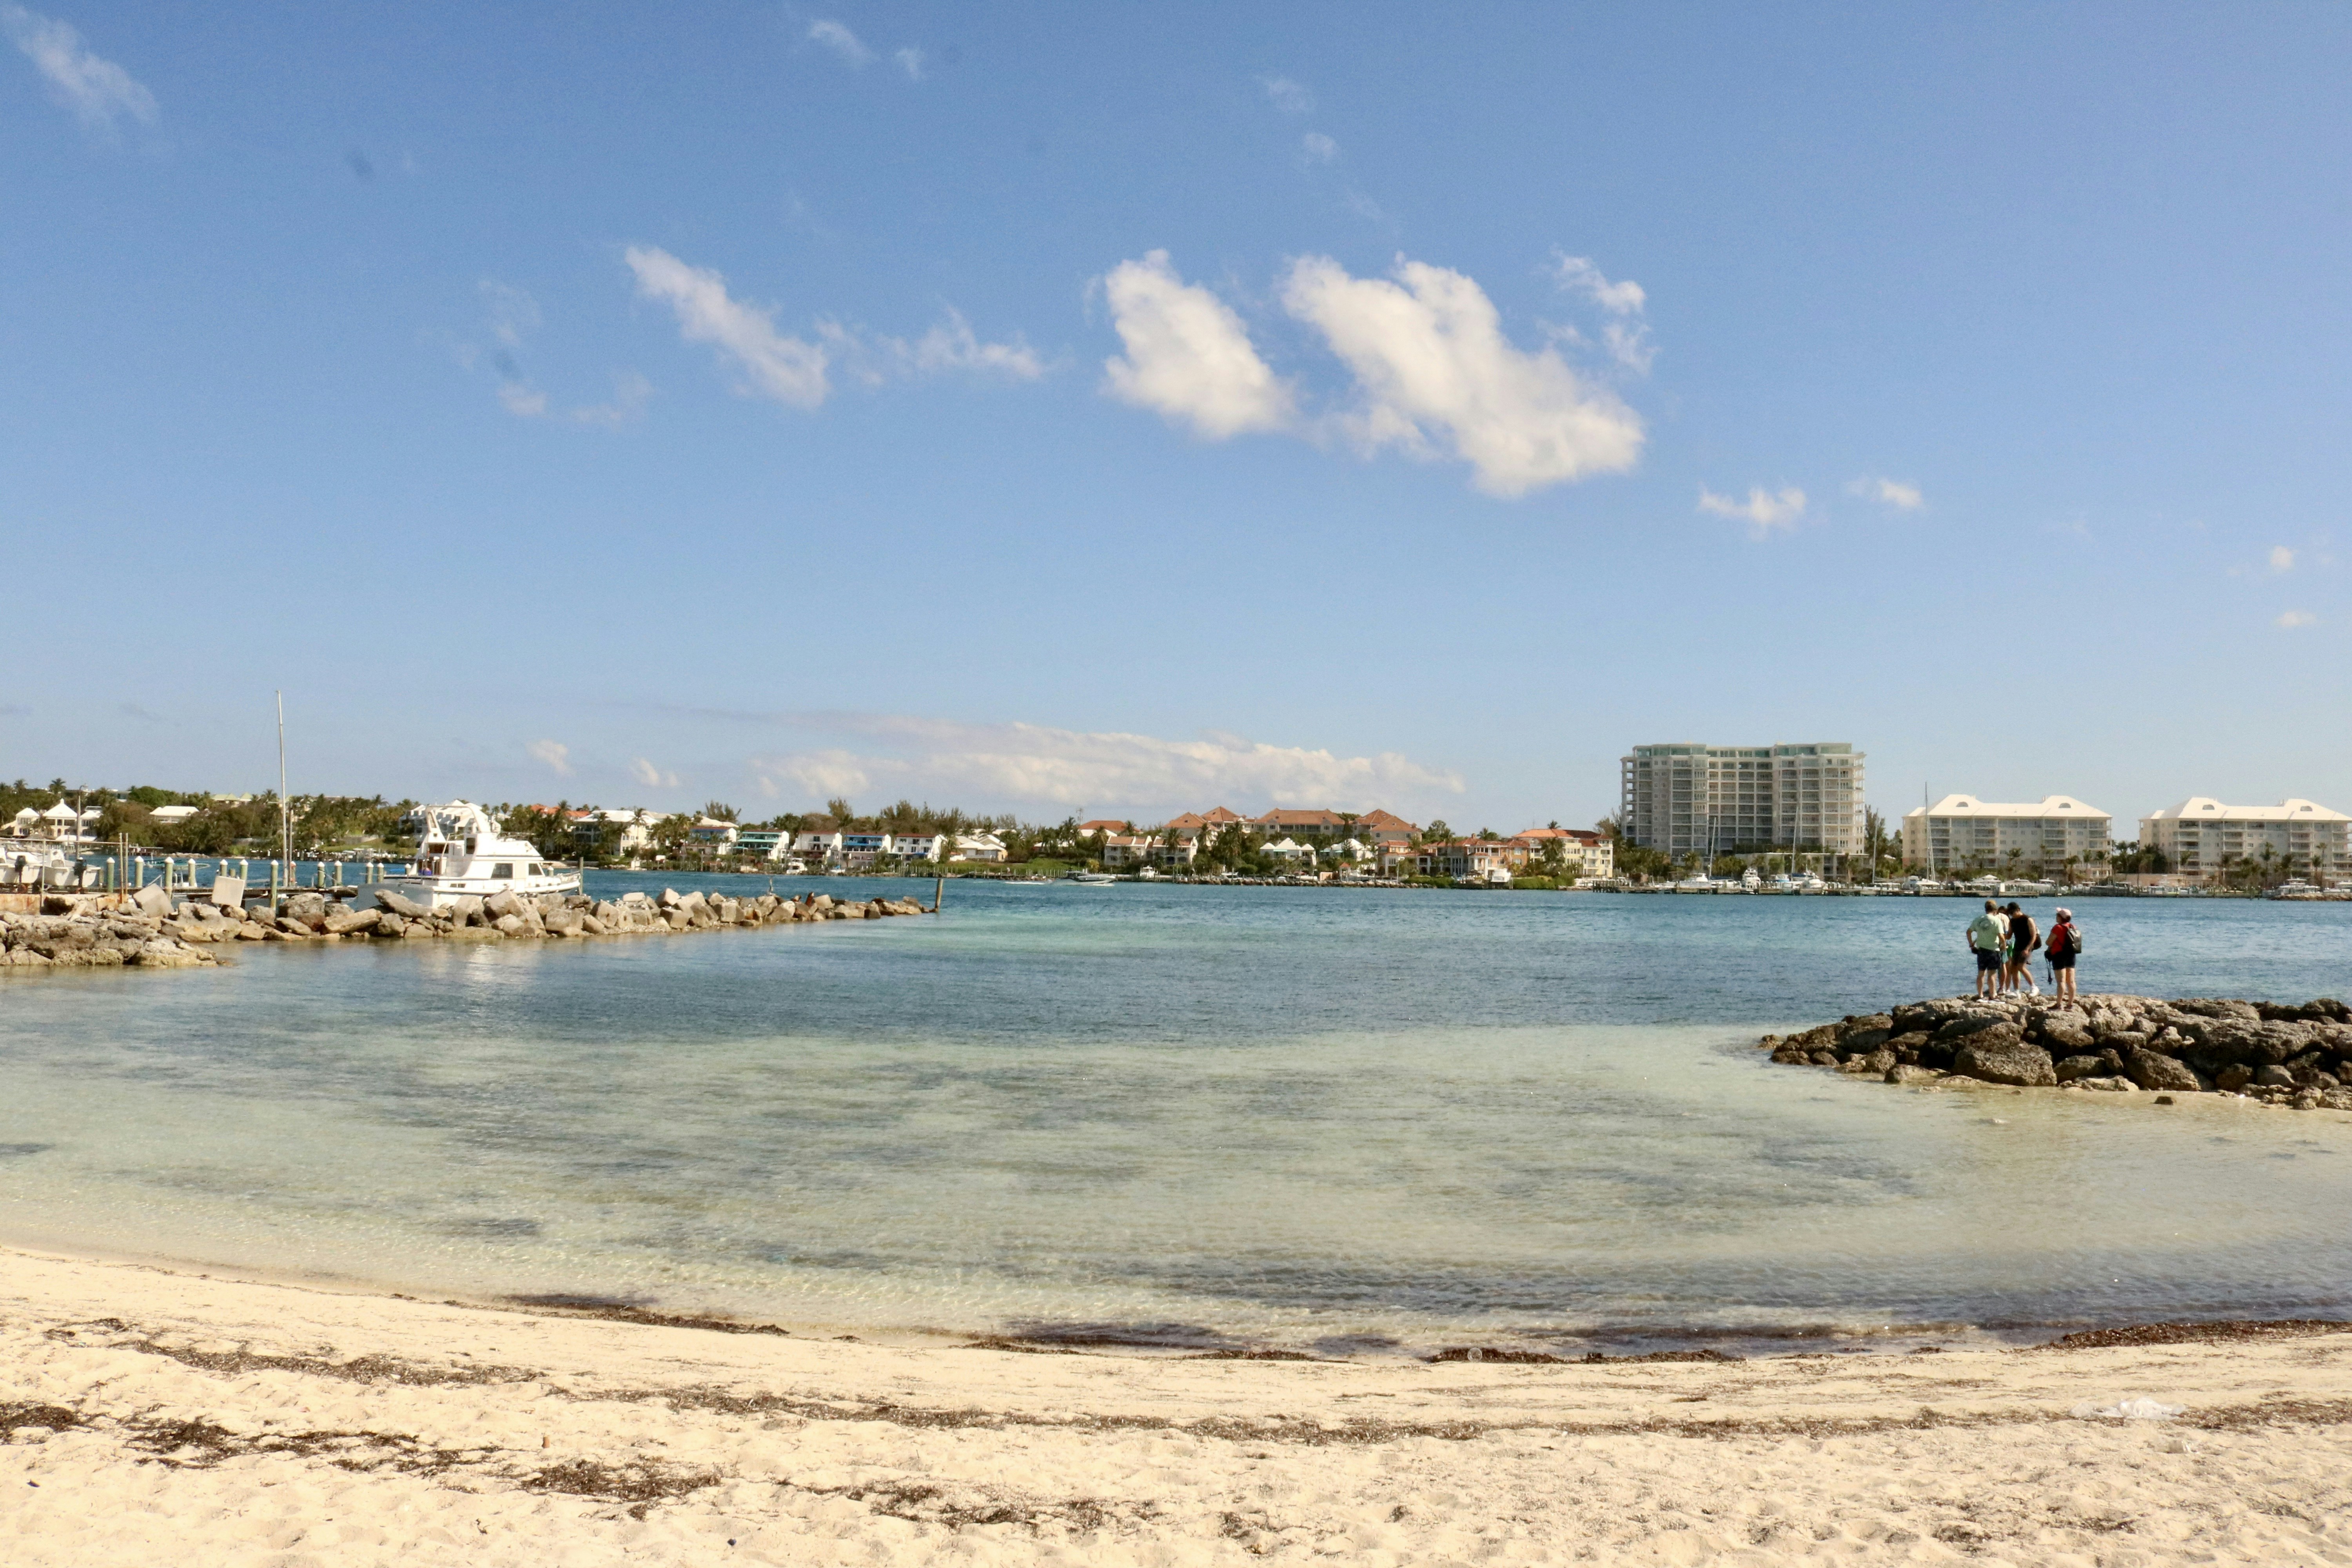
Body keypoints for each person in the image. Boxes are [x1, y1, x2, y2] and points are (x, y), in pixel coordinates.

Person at [1965, 899, 2007, 998]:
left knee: (1981, 974)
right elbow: (2001, 937)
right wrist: (2004, 946)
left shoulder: (1978, 919)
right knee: (1992, 975)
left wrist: (1972, 945)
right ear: (1996, 910)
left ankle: (1980, 995)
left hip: (1981, 950)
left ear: (1986, 910)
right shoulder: (1997, 920)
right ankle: (1993, 995)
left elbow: (1969, 932)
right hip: (1993, 950)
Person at [2002, 901, 2041, 997]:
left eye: (2013, 913)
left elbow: (2034, 936)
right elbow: (2009, 936)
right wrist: (2000, 934)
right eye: (2010, 913)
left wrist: (2028, 949)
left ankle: (2034, 987)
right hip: (2018, 946)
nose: (2012, 915)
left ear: (2019, 910)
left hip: (2027, 946)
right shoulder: (2012, 921)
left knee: (2021, 967)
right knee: (2013, 969)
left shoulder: (2028, 919)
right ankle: (2017, 991)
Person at [2045, 907, 2082, 1002]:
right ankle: (2070, 1004)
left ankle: (2059, 1004)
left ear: (2061, 917)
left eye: (2057, 915)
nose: (2056, 917)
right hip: (2071, 955)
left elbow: (2049, 942)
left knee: (2061, 981)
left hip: (2059, 955)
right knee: (2071, 981)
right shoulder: (2073, 927)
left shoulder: (2058, 928)